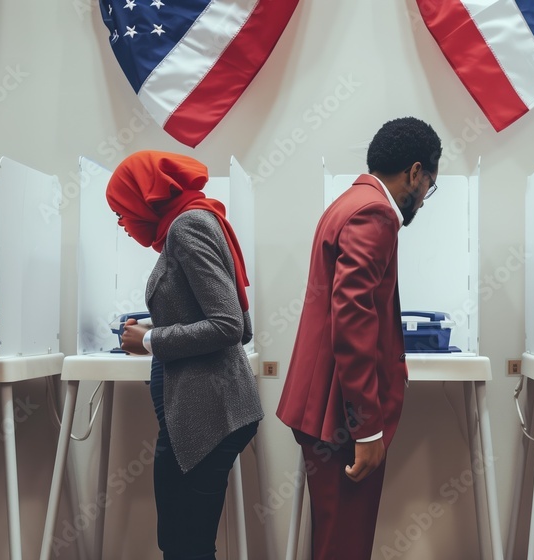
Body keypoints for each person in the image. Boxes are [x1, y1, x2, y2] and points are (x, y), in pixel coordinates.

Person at [276, 117, 442, 559]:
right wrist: (368, 429)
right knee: (345, 546)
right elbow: (352, 317)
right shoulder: (376, 212)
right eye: (429, 184)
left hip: (324, 407)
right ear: (414, 172)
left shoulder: (348, 201)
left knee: (334, 540)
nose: (424, 198)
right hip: (344, 417)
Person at [106, 150, 263, 560]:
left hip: (205, 418)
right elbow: (241, 325)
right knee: (184, 544)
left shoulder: (188, 226)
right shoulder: (197, 220)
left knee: (184, 547)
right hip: (201, 416)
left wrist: (150, 340)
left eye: (121, 211)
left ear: (145, 198)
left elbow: (228, 326)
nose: (122, 223)